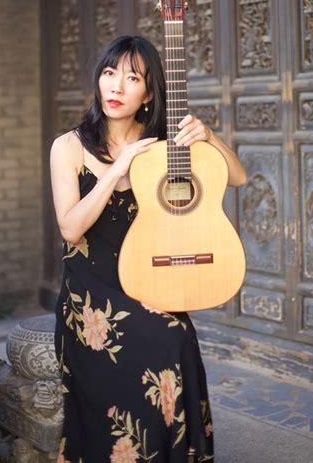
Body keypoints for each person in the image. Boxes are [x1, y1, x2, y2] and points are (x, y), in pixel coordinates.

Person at [51, 35, 247, 463]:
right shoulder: (69, 147)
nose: (116, 86)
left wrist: (209, 136)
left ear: (149, 93)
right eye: (109, 73)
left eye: (132, 78)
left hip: (146, 279)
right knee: (161, 337)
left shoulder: (164, 148)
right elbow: (71, 229)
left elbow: (237, 177)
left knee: (178, 336)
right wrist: (116, 170)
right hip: (91, 296)